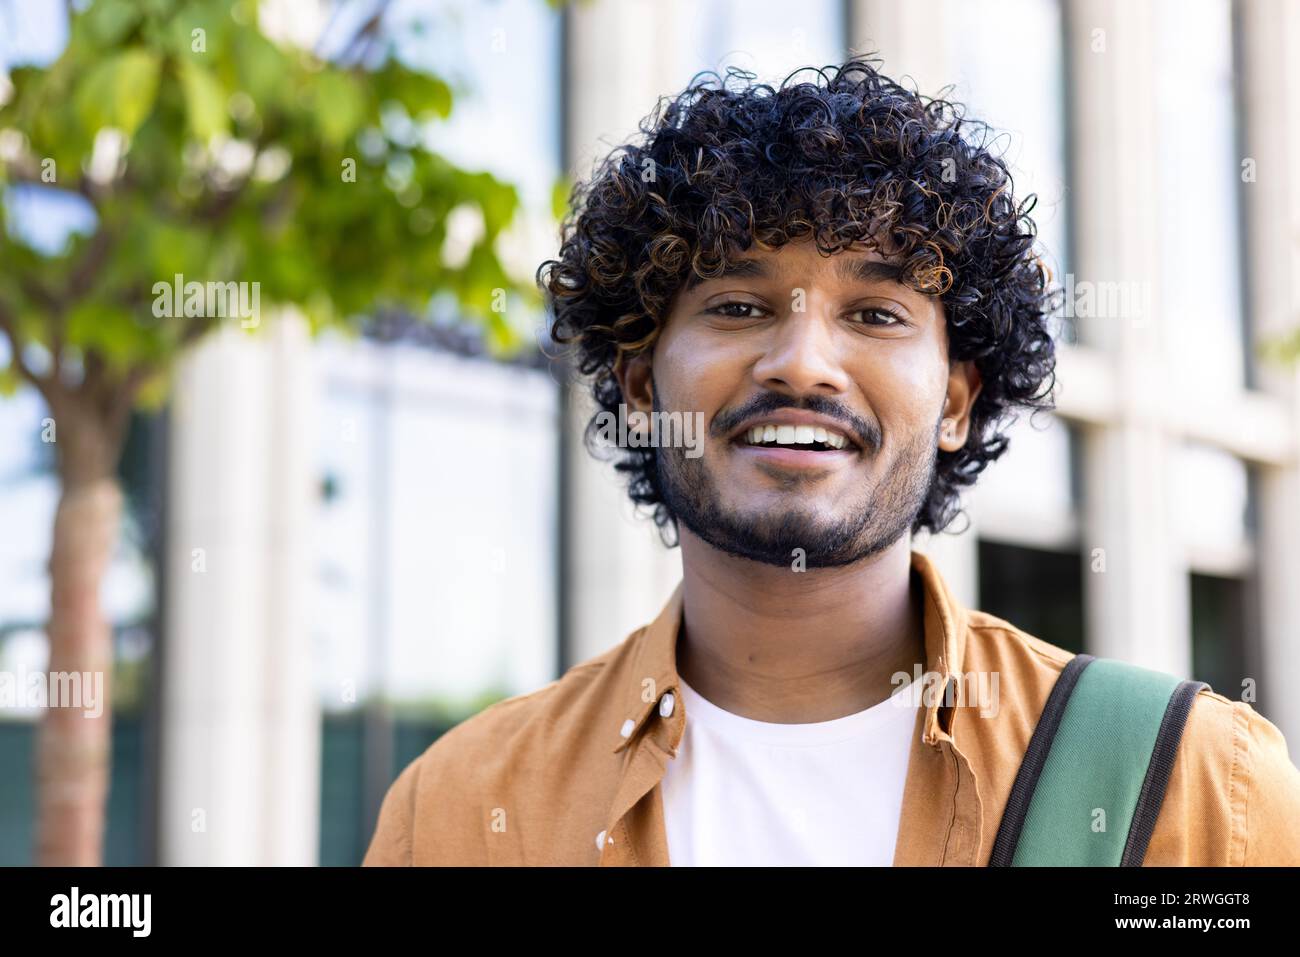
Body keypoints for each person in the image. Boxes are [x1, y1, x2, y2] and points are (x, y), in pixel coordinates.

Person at [363, 58, 1300, 866]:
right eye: (737, 305)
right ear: (643, 387)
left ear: (956, 400)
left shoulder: (1196, 789)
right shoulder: (460, 811)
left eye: (876, 314)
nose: (802, 361)